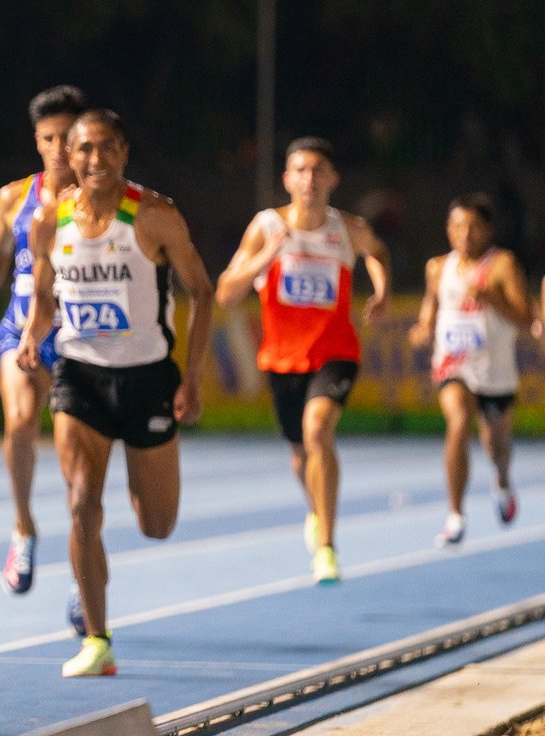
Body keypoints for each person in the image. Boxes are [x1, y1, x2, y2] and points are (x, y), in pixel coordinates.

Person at [16, 109, 213, 677]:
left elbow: (203, 292)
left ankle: (139, 474)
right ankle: (97, 641)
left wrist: (192, 377)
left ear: (124, 153)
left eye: (106, 148)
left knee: (157, 524)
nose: (95, 160)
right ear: (68, 158)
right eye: (84, 150)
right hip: (79, 375)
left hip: (148, 378)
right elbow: (47, 297)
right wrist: (34, 333)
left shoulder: (154, 217)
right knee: (80, 502)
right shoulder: (49, 221)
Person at [215, 137, 390, 585]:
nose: (309, 179)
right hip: (281, 359)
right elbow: (226, 292)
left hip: (335, 353)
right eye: (300, 171)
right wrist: (267, 255)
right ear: (287, 179)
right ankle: (315, 509)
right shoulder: (265, 226)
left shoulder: (347, 227)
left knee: (318, 431)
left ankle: (327, 548)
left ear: (332, 179)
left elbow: (377, 252)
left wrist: (382, 290)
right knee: (299, 454)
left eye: (318, 170)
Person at [0, 84, 87, 594]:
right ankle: (23, 526)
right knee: (18, 420)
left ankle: (85, 573)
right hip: (17, 326)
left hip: (75, 331)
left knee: (74, 451)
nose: (59, 148)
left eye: (67, 138)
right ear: (37, 141)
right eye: (49, 138)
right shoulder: (13, 197)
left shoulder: (94, 204)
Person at [406, 193, 534, 546]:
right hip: (453, 364)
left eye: (474, 227)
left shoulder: (503, 265)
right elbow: (428, 314)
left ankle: (502, 479)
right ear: (448, 229)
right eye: (458, 226)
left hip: (495, 370)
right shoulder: (437, 268)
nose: (466, 234)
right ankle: (455, 514)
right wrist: (421, 331)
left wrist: (493, 299)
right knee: (459, 421)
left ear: (488, 230)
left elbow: (526, 318)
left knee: (495, 446)